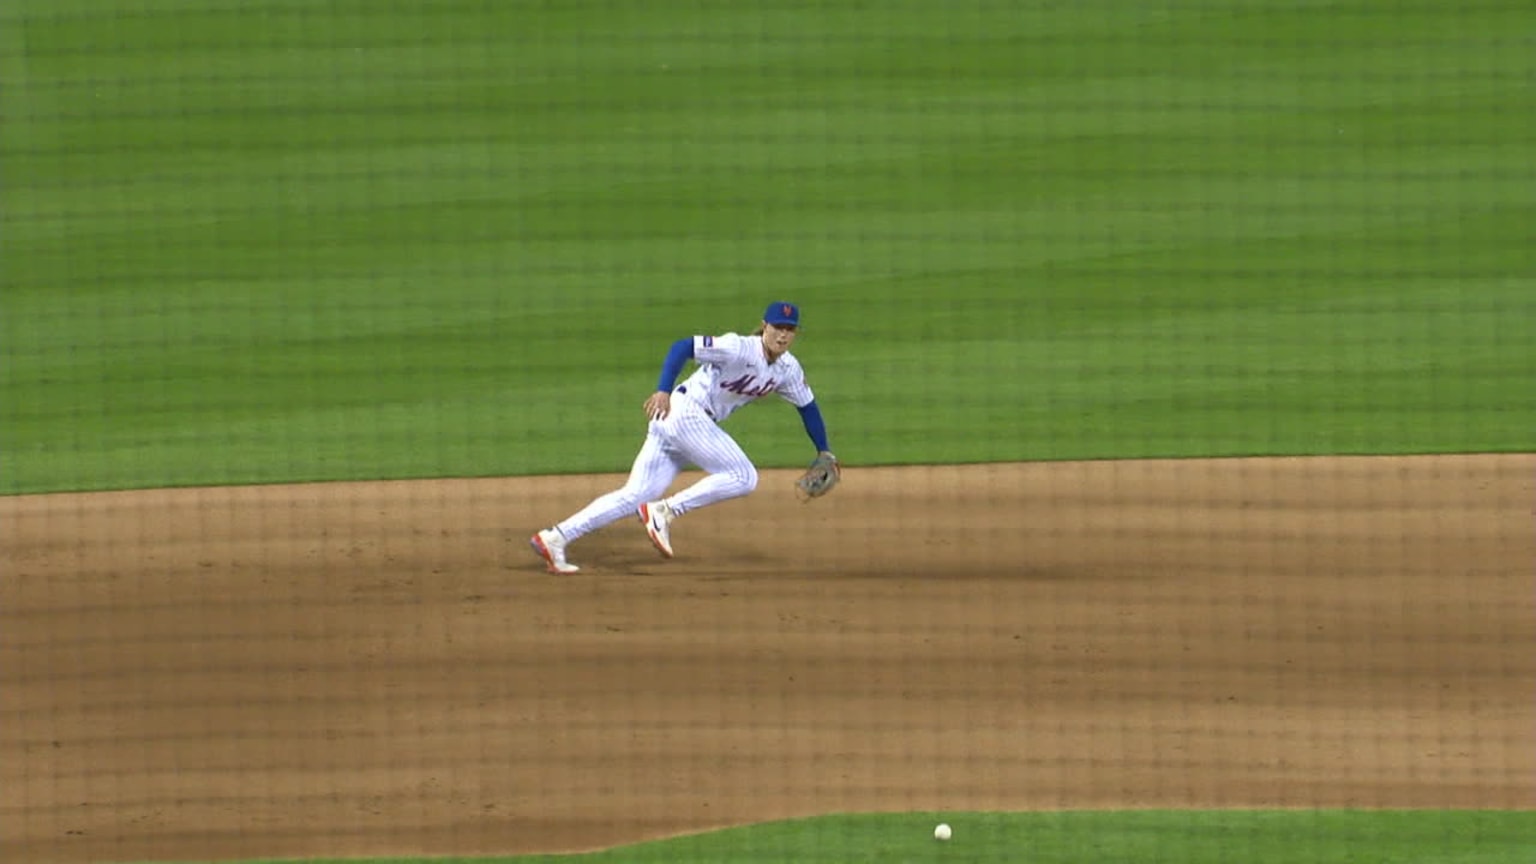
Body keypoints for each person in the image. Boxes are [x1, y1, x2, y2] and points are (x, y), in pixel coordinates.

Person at [529, 301, 835, 573]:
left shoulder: (788, 369)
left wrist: (825, 451)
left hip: (685, 424)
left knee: (634, 495)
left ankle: (555, 537)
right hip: (684, 412)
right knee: (744, 477)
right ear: (764, 326)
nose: (783, 335)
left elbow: (807, 407)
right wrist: (663, 389)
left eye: (790, 329)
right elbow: (682, 346)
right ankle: (666, 510)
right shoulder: (737, 347)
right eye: (777, 327)